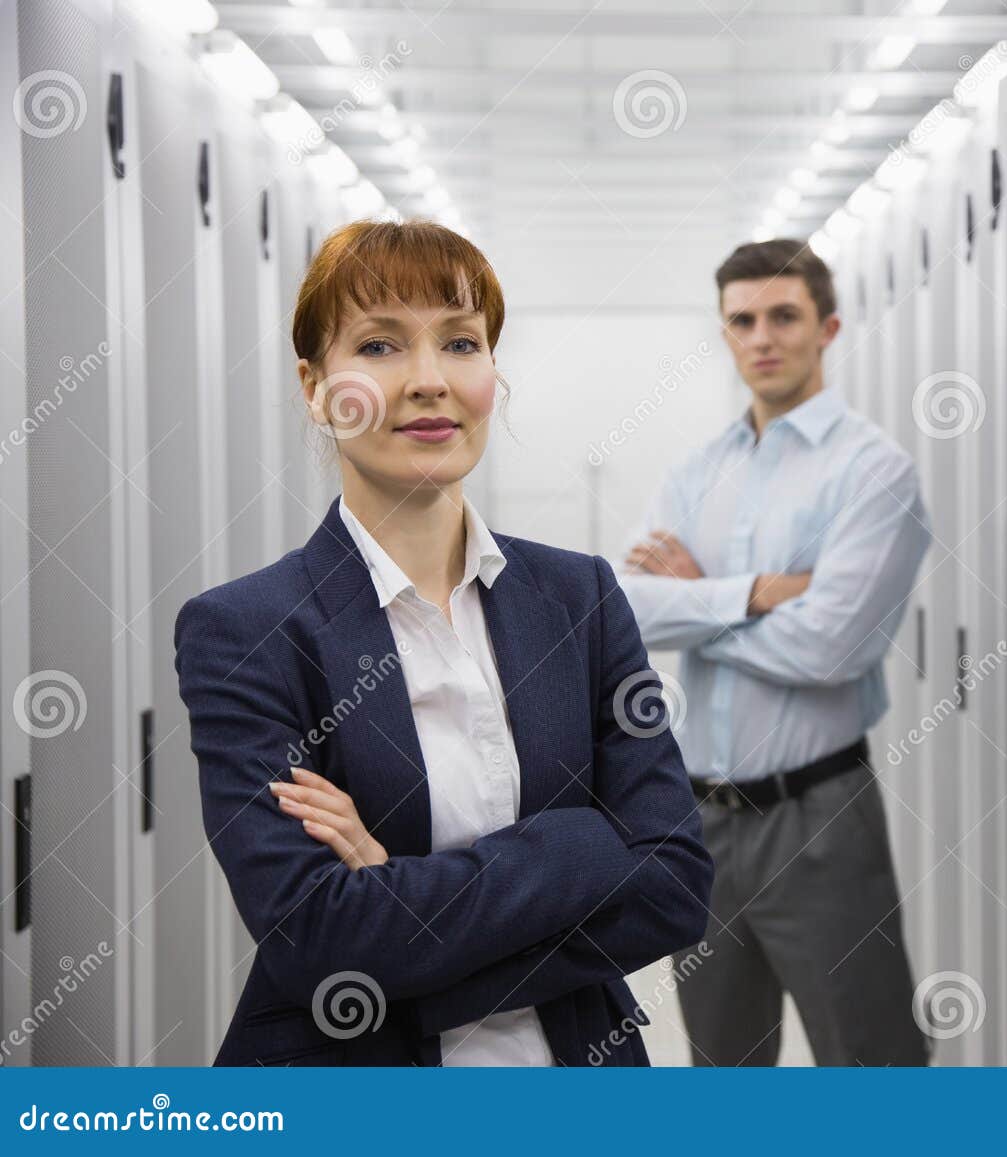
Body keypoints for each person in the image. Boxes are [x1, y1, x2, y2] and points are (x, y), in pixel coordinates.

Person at [173, 219, 712, 1067]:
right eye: (382, 345)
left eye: (461, 342)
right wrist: (584, 841)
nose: (429, 381)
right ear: (315, 386)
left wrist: (398, 898)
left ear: (491, 373)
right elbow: (317, 938)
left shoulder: (579, 599)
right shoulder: (248, 629)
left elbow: (675, 883)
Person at [617, 239, 932, 1065]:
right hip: (699, 825)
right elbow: (633, 609)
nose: (763, 336)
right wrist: (758, 589)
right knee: (725, 1067)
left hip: (819, 820)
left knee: (872, 1064)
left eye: (783, 315)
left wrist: (701, 591)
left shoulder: (874, 472)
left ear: (826, 327)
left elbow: (834, 643)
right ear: (725, 334)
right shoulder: (695, 472)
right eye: (743, 320)